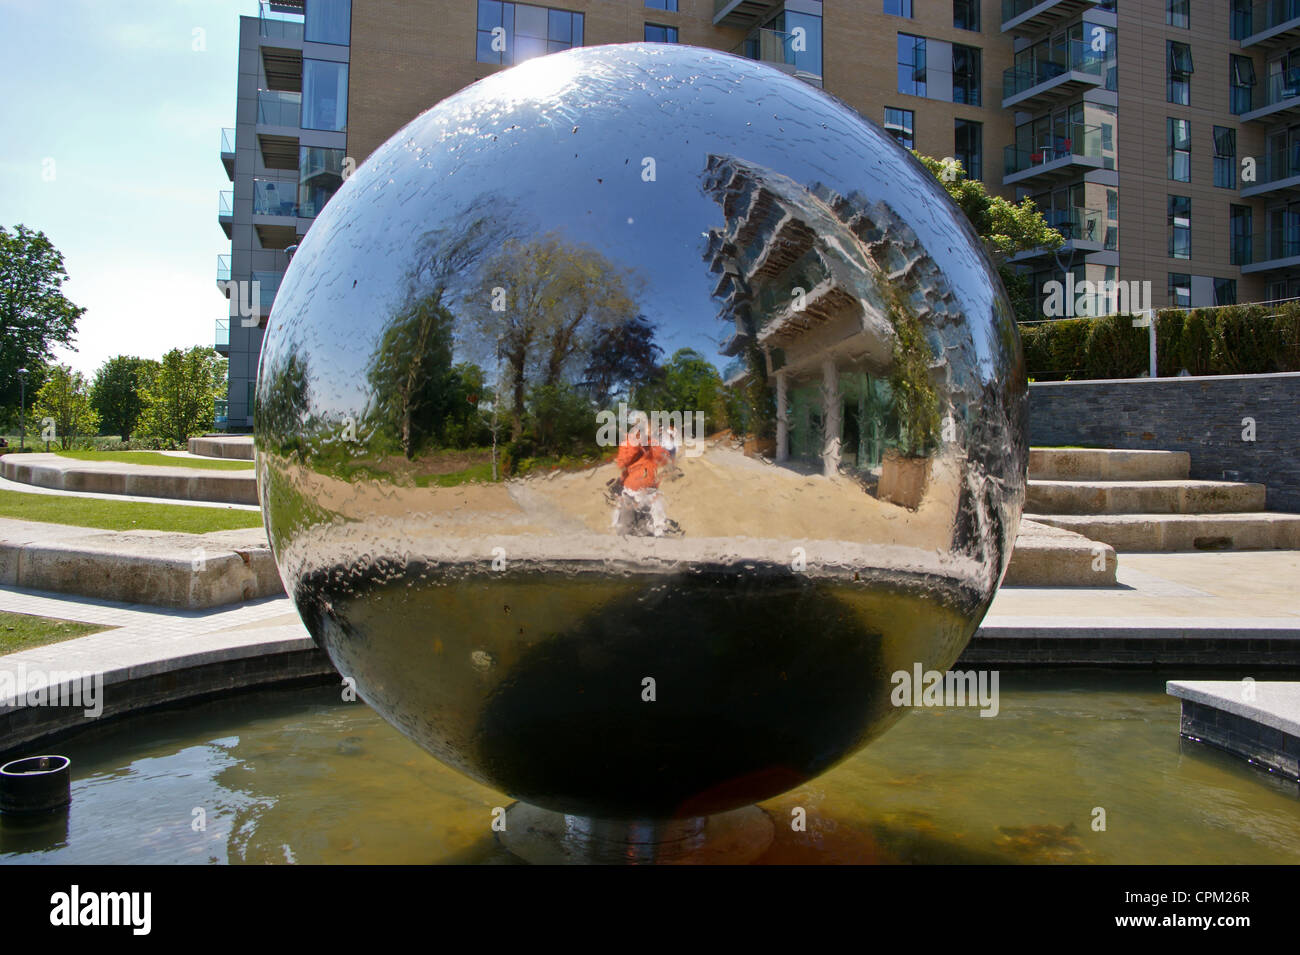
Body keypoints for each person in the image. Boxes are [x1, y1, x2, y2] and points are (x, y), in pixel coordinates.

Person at [612, 416, 671, 536]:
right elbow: (621, 463)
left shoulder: (652, 443)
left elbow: (664, 460)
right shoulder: (627, 443)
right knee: (624, 527)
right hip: (630, 492)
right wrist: (636, 444)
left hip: (650, 491)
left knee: (658, 525)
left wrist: (654, 445)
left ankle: (658, 542)